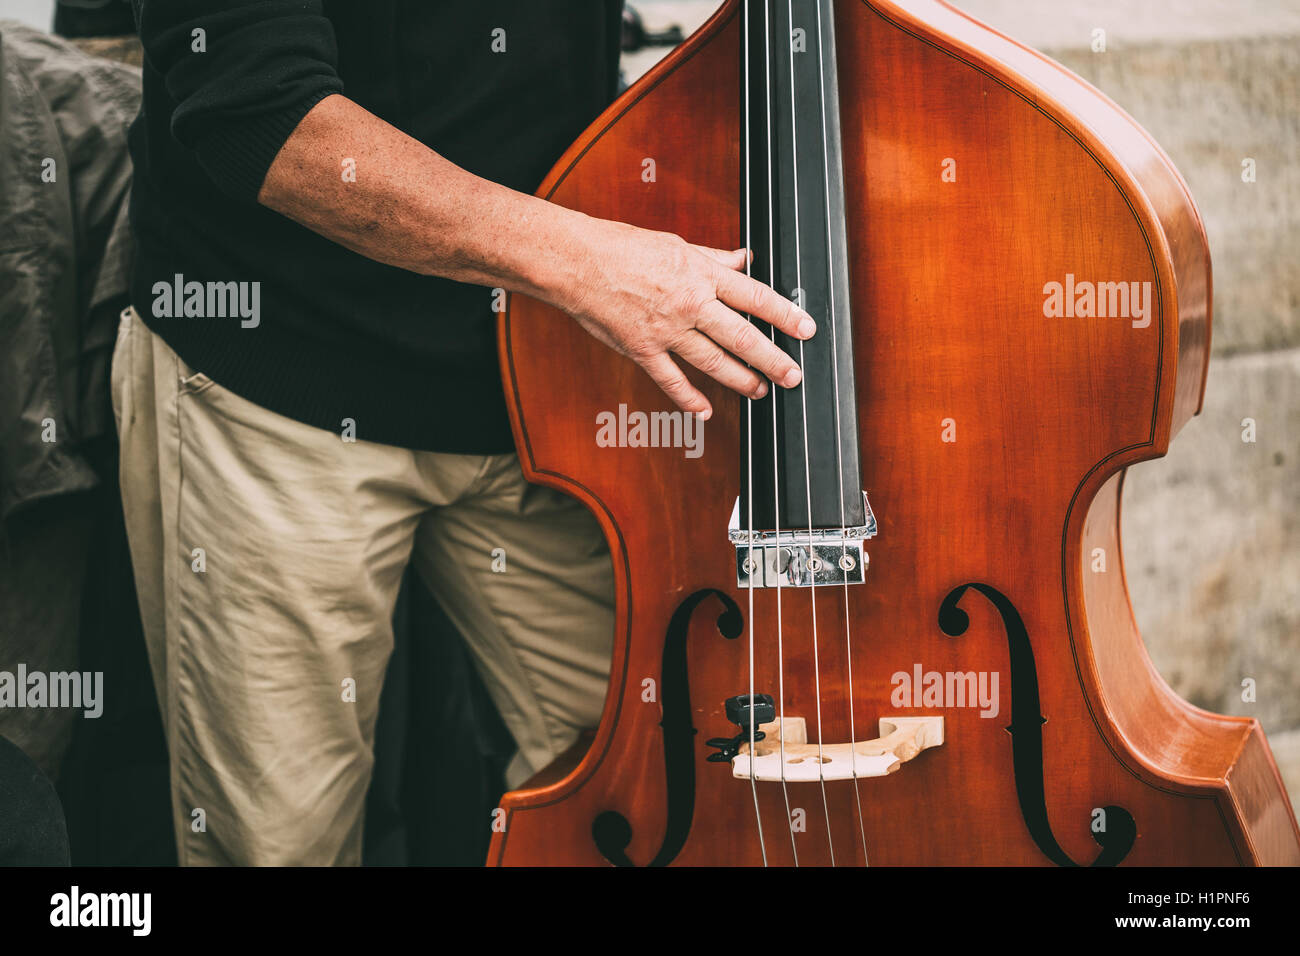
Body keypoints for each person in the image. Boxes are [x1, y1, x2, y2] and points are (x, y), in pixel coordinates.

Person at [115, 0, 813, 865]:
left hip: (553, 393)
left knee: (656, 788)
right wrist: (591, 262)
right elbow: (264, 119)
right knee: (279, 839)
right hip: (280, 372)